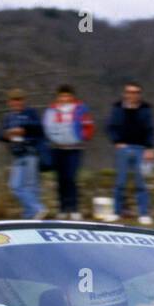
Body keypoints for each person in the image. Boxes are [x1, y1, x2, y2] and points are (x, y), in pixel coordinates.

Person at [106, 81, 154, 224]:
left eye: (135, 92)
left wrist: (150, 148)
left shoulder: (146, 109)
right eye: (129, 92)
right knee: (120, 182)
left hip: (141, 149)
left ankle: (144, 213)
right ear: (125, 94)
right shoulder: (117, 108)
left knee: (141, 181)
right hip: (123, 148)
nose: (132, 95)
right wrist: (117, 142)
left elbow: (150, 129)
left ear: (139, 94)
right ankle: (116, 211)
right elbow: (110, 127)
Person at [42, 84, 95, 220]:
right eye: (62, 96)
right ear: (58, 97)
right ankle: (63, 208)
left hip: (74, 149)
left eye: (67, 96)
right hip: (58, 149)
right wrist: (54, 139)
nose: (64, 98)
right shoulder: (52, 110)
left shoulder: (80, 109)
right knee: (61, 179)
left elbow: (88, 125)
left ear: (72, 96)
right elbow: (47, 127)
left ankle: (74, 208)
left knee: (71, 178)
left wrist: (83, 137)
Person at [0, 88, 45, 219]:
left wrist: (23, 129)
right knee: (15, 186)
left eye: (19, 100)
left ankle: (31, 214)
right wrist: (7, 134)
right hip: (17, 155)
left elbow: (40, 128)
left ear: (24, 100)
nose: (17, 103)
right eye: (14, 100)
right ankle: (37, 209)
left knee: (31, 186)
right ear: (9, 102)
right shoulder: (8, 117)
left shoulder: (31, 113)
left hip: (31, 153)